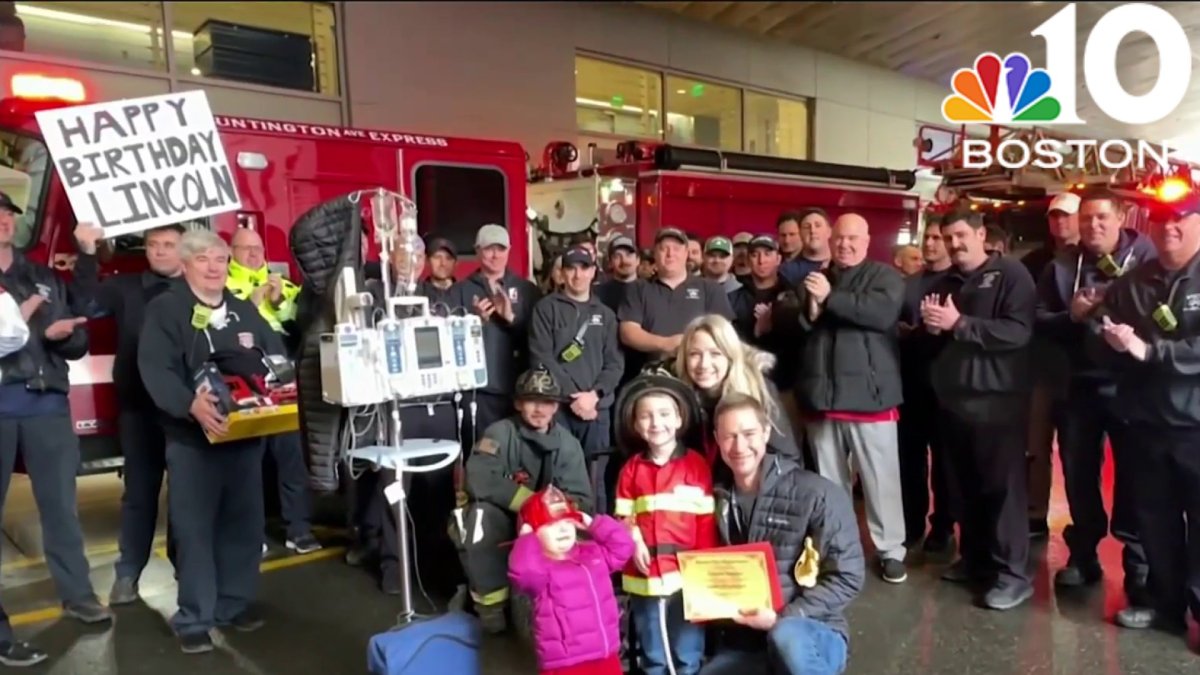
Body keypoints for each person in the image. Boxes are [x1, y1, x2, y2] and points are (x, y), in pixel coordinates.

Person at [138, 229, 285, 653]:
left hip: (243, 439)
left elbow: (274, 356)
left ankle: (232, 604)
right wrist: (190, 405)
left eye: (220, 259)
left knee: (244, 524)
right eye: (203, 259)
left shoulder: (242, 310)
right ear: (185, 265)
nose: (214, 267)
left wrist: (279, 385)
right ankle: (194, 617)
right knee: (195, 529)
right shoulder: (166, 311)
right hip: (193, 442)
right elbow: (156, 369)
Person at [0, 192, 110, 667]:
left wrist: (66, 335)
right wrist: (27, 331)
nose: (3, 222)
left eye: (7, 215)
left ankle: (79, 595)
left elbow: (78, 340)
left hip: (46, 405)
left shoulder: (40, 276)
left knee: (61, 509)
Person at [1036, 190, 1153, 597]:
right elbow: (1038, 321)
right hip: (1078, 387)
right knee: (1079, 474)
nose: (1093, 226)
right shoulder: (1062, 266)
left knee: (1136, 478)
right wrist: (1071, 315)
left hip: (1131, 388)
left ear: (1121, 217)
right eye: (1086, 219)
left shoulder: (1148, 261)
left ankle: (1138, 562)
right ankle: (1083, 553)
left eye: (1102, 217)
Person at [1095, 197, 1200, 637]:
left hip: (1196, 427)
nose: (1168, 227)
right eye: (1160, 219)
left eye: (1179, 218)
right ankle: (1165, 607)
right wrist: (1107, 334)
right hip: (1147, 424)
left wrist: (1152, 350)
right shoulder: (1134, 282)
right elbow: (1104, 333)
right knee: (1154, 523)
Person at [701, 394, 864, 675]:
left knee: (786, 636)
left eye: (749, 433)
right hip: (749, 641)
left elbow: (847, 577)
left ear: (766, 432)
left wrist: (782, 617)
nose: (739, 446)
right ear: (717, 439)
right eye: (729, 436)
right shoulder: (715, 497)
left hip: (812, 631)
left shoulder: (817, 494)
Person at [923, 209, 1036, 611]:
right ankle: (975, 560)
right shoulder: (947, 281)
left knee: (1002, 493)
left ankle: (1013, 576)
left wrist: (959, 324)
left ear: (981, 234)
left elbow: (1019, 332)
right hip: (955, 404)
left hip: (998, 404)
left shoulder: (1010, 275)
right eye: (947, 238)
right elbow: (941, 341)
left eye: (960, 236)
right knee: (965, 489)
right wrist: (935, 328)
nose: (954, 244)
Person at [73, 221, 185, 604]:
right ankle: (127, 575)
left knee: (188, 498)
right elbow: (85, 303)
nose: (160, 251)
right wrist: (87, 252)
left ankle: (189, 576)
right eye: (154, 244)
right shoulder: (125, 288)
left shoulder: (199, 289)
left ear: (183, 249)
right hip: (139, 410)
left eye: (169, 244)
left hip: (188, 413)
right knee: (139, 495)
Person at [793, 213, 908, 583]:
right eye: (840, 238)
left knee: (880, 480)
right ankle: (838, 546)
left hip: (869, 399)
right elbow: (802, 325)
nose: (845, 244)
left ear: (868, 239)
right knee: (829, 482)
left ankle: (890, 549)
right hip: (823, 399)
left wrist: (829, 298)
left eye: (853, 238)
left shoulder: (884, 276)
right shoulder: (819, 277)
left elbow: (879, 313)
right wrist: (809, 307)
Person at [451, 367, 593, 634]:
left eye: (547, 402)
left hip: (549, 524)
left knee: (579, 529)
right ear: (517, 403)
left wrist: (546, 514)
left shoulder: (568, 445)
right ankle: (491, 606)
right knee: (479, 516)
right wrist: (530, 504)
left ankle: (560, 607)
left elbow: (584, 502)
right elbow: (478, 478)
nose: (539, 409)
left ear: (556, 407)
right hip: (504, 518)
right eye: (531, 400)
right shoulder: (499, 433)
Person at [225, 228, 319, 556]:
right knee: (248, 466)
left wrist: (278, 304)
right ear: (231, 252)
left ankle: (299, 529)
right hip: (245, 386)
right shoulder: (221, 288)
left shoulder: (286, 286)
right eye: (245, 249)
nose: (253, 255)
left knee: (292, 460)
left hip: (285, 386)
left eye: (257, 248)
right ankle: (253, 534)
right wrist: (249, 307)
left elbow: (302, 326)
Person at [615, 375, 715, 675]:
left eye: (663, 414)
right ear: (635, 424)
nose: (655, 422)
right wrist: (634, 539)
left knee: (688, 652)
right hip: (644, 578)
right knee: (654, 654)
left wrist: (702, 572)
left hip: (686, 580)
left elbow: (706, 523)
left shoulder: (696, 466)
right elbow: (624, 516)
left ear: (679, 418)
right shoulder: (631, 470)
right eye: (645, 416)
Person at [529, 246, 624, 514]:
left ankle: (597, 538)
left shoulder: (605, 315)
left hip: (597, 410)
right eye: (571, 268)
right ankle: (559, 539)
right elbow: (541, 358)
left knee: (596, 482)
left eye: (584, 268)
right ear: (561, 273)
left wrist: (593, 396)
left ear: (593, 272)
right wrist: (574, 396)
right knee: (557, 477)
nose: (577, 274)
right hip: (559, 409)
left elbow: (615, 364)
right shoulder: (545, 309)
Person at [508, 486, 635, 675]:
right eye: (550, 524)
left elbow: (624, 547)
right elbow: (524, 574)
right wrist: (525, 540)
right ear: (533, 533)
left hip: (605, 654)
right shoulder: (541, 570)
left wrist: (595, 524)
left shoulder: (593, 553)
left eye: (568, 522)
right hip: (566, 663)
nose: (562, 529)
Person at [897, 218, 958, 553]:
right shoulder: (909, 283)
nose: (932, 244)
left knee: (945, 462)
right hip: (911, 381)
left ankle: (944, 525)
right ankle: (912, 522)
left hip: (947, 385)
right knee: (911, 459)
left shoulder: (959, 282)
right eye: (928, 237)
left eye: (938, 238)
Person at [1023, 192, 1081, 538]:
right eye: (1054, 217)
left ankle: (1081, 524)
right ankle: (1035, 513)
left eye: (1066, 216)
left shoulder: (1094, 260)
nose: (1060, 222)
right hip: (1041, 367)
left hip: (1081, 372)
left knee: (1077, 454)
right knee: (1035, 445)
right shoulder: (1034, 261)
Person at [449, 224, 541, 440]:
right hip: (477, 393)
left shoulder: (528, 290)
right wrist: (475, 323)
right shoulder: (459, 291)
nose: (495, 255)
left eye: (501, 249)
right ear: (477, 251)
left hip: (518, 392)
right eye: (489, 248)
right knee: (480, 456)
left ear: (509, 250)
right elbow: (448, 343)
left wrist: (510, 319)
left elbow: (538, 340)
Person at [675, 314, 801, 464]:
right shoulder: (678, 397)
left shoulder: (759, 389)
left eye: (715, 354)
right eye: (694, 354)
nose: (704, 364)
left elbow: (787, 455)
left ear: (730, 357)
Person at [618, 227, 734, 376]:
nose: (670, 253)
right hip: (650, 374)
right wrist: (666, 344)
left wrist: (689, 346)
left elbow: (723, 333)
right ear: (655, 254)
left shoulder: (710, 288)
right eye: (664, 248)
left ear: (686, 253)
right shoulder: (637, 288)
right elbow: (628, 333)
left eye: (676, 248)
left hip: (699, 373)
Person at [779, 208, 832, 286]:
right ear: (800, 233)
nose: (812, 231)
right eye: (807, 227)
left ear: (829, 231)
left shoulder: (843, 263)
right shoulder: (787, 272)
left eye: (818, 225)